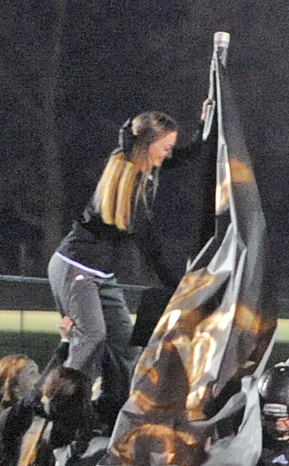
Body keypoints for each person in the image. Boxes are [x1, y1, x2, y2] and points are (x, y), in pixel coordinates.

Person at [51, 110, 201, 419]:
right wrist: (178, 287)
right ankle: (61, 410)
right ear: (147, 145)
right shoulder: (127, 179)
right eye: (164, 147)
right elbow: (150, 248)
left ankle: (110, 408)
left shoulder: (141, 163)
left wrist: (206, 124)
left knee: (125, 345)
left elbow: (180, 157)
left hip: (101, 275)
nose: (168, 153)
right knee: (92, 337)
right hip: (74, 267)